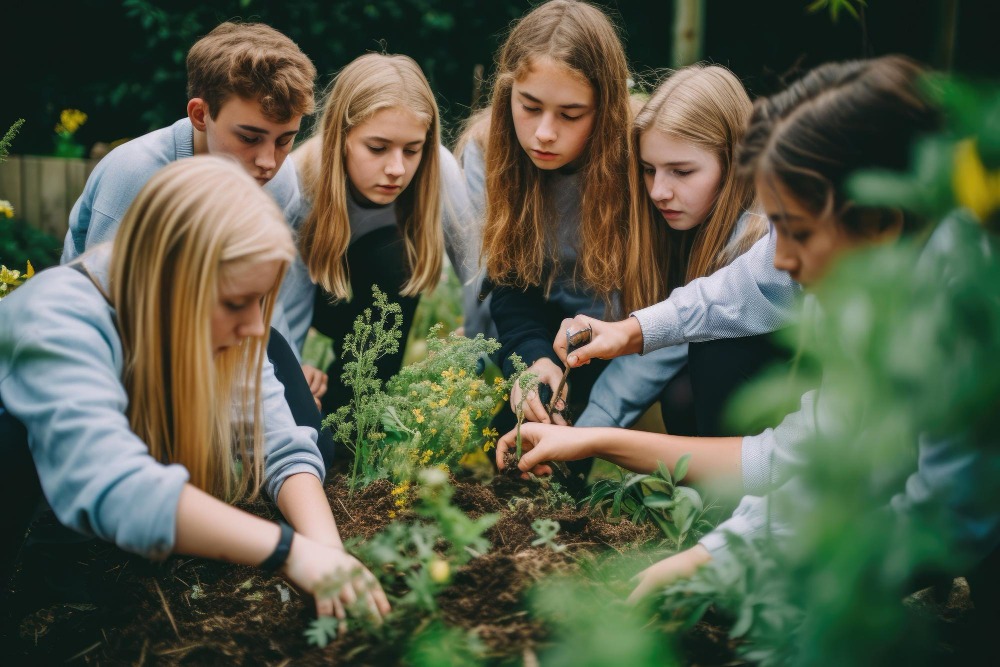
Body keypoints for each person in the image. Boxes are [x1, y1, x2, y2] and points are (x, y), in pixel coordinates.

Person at [496, 56, 1000, 604]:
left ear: (881, 223)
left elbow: (947, 512)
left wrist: (723, 559)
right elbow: (798, 441)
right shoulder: (874, 275)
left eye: (797, 232)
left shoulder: (961, 316)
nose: (779, 261)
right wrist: (626, 340)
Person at [1, 156, 390, 621]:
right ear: (172, 278)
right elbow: (114, 485)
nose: (253, 327)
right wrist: (290, 553)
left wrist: (328, 553)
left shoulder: (189, 320)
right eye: (235, 303)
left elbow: (278, 440)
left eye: (259, 302)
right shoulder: (56, 320)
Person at [56, 20, 333, 464]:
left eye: (286, 140)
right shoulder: (136, 175)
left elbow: (260, 302)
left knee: (314, 439)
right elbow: (110, 321)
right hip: (129, 351)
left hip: (220, 334)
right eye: (250, 137)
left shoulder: (278, 181)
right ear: (200, 114)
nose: (268, 161)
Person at [458, 0, 653, 478]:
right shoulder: (489, 150)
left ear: (605, 109)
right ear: (508, 96)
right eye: (529, 107)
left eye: (570, 114)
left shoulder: (644, 155)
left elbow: (664, 312)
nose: (544, 134)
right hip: (535, 323)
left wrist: (593, 426)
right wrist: (529, 363)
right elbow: (507, 281)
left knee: (573, 450)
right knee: (516, 452)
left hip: (631, 333)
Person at [573, 64, 789, 437]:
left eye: (682, 171)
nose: (658, 191)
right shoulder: (677, 224)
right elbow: (662, 339)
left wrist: (586, 436)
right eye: (648, 169)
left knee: (707, 363)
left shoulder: (769, 230)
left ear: (735, 161)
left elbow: (706, 308)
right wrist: (582, 435)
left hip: (803, 416)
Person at [292, 53, 475, 416]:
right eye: (377, 148)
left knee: (396, 259)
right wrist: (292, 370)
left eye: (412, 150)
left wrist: (476, 351)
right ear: (341, 137)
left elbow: (479, 278)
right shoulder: (299, 180)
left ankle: (357, 411)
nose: (396, 169)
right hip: (315, 295)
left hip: (382, 292)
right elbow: (277, 298)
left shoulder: (440, 170)